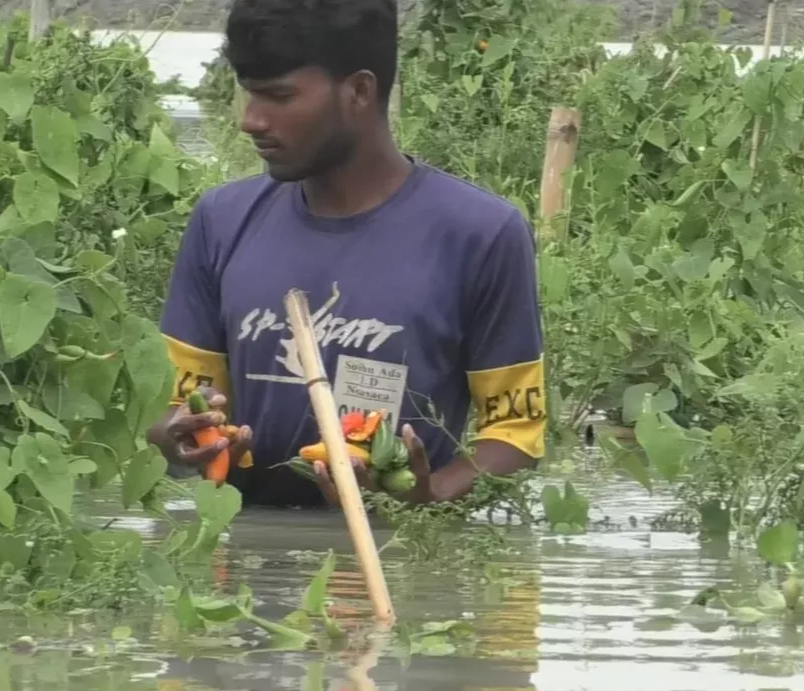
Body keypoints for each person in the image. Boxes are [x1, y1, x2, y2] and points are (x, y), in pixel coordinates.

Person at [145, 0, 546, 508]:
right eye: (249, 95)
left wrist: (431, 495)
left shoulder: (482, 233)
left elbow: (516, 434)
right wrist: (179, 440)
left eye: (279, 96)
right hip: (244, 551)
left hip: (393, 554)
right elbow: (177, 408)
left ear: (358, 90)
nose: (251, 120)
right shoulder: (221, 221)